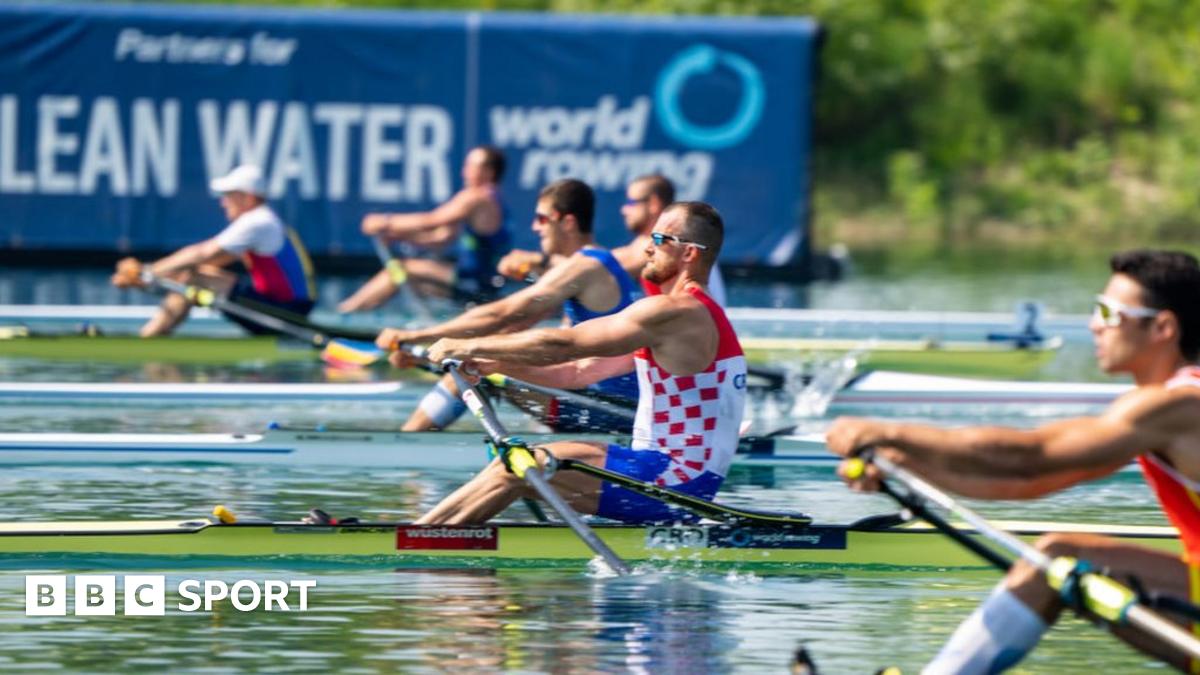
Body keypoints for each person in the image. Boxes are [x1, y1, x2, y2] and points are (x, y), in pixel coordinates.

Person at [825, 249, 1200, 674]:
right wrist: (903, 463)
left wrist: (888, 431)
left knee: (1060, 558)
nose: (1093, 324)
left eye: (1108, 312)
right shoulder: (1169, 410)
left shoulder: (1179, 407)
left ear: (1163, 327)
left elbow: (1028, 458)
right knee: (1058, 558)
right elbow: (1023, 485)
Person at [411, 201, 747, 525]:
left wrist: (466, 345)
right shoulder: (681, 318)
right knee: (515, 465)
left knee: (517, 468)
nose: (647, 247)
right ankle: (431, 535)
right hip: (662, 471)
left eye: (659, 240)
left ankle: (413, 541)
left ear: (689, 252)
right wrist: (495, 364)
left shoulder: (678, 313)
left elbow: (565, 344)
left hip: (674, 481)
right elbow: (579, 370)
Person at [376, 178, 638, 433]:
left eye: (543, 219)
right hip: (589, 394)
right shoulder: (587, 265)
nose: (535, 227)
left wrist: (414, 335)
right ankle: (412, 438)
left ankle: (405, 443)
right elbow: (515, 326)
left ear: (568, 222)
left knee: (478, 371)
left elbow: (502, 313)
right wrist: (430, 353)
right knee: (477, 359)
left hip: (607, 407)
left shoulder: (586, 267)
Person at [111, 164, 316, 337]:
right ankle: (152, 335)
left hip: (287, 313)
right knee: (193, 275)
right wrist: (146, 280)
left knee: (195, 279)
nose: (223, 203)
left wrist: (147, 271)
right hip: (285, 307)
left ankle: (148, 340)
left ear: (249, 198)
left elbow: (202, 253)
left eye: (229, 195)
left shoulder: (258, 221)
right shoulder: (265, 221)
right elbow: (205, 265)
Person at [498, 174, 728, 305]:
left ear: (654, 204)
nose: (623, 210)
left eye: (630, 202)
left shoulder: (668, 246)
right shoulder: (649, 246)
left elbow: (600, 267)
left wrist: (536, 259)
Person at [338, 145, 510, 311]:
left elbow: (431, 220)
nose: (465, 171)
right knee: (402, 278)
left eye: (472, 166)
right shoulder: (492, 199)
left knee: (399, 269)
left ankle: (343, 316)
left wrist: (384, 222)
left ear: (489, 172)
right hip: (478, 284)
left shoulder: (476, 197)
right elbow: (442, 237)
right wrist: (399, 237)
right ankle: (354, 321)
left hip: (473, 283)